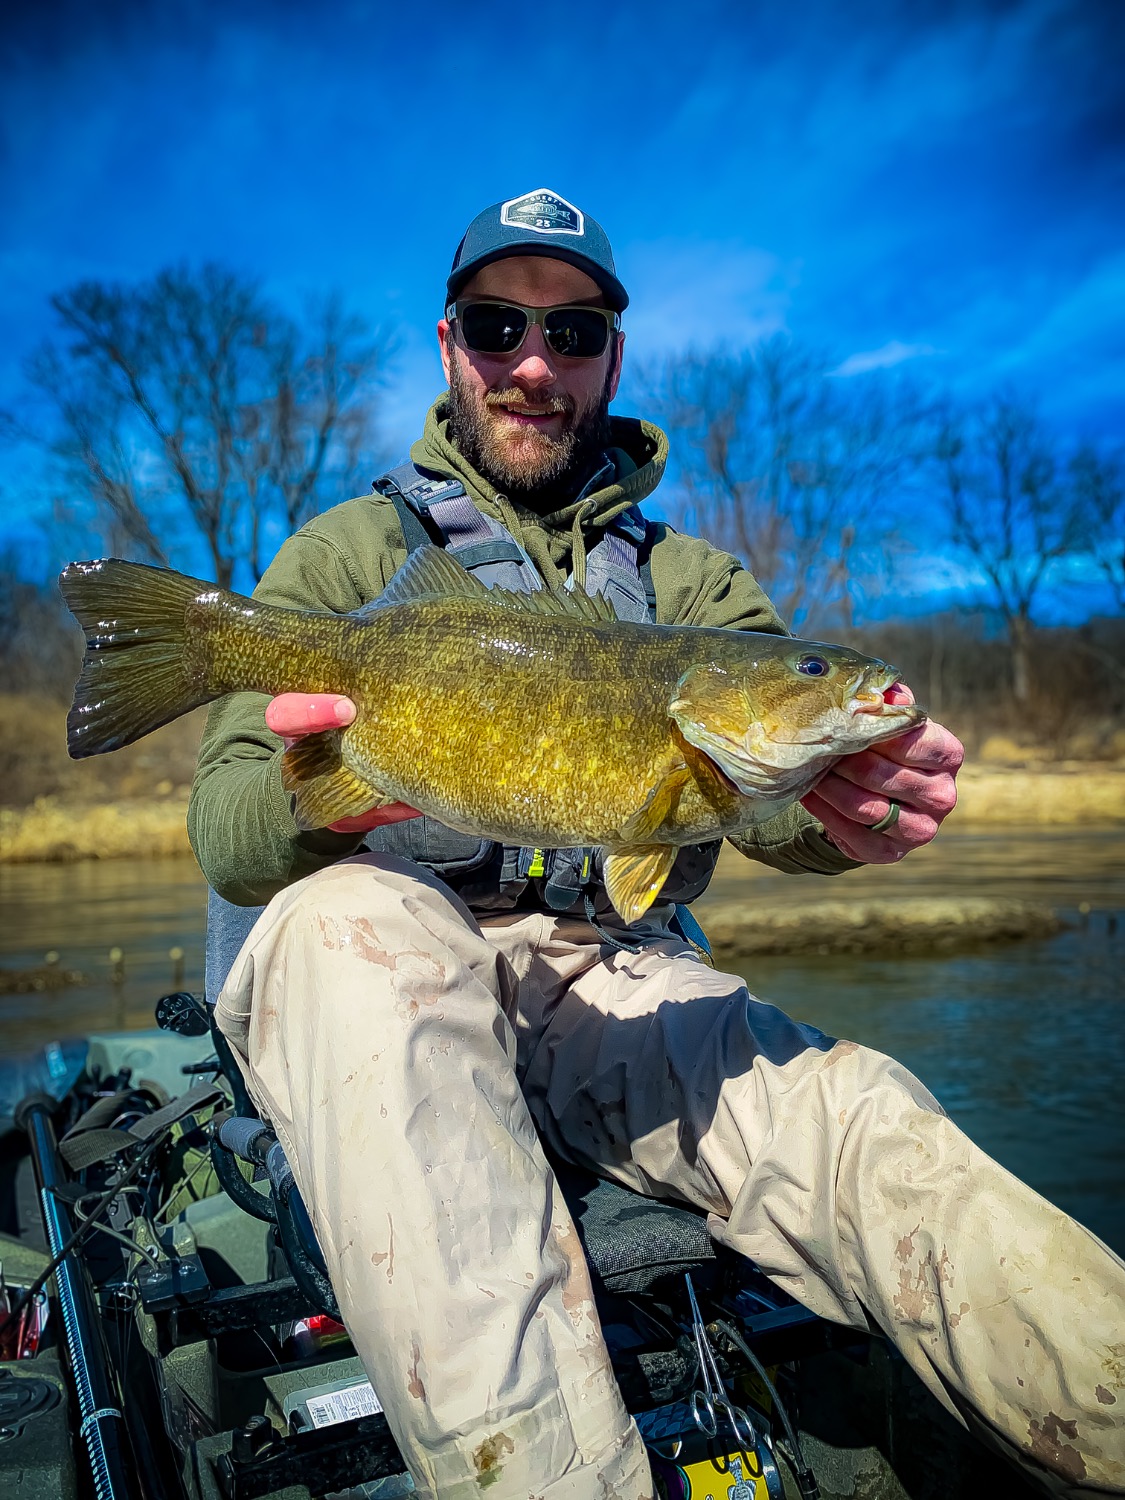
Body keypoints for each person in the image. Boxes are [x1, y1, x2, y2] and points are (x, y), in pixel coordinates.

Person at [189, 190, 1124, 1500]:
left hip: (609, 974)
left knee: (858, 1117)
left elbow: (766, 801)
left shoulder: (691, 590)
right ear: (448, 341)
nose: (532, 360)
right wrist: (330, 787)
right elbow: (228, 838)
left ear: (611, 357)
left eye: (571, 331)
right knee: (346, 928)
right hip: (381, 961)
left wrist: (836, 806)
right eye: (497, 322)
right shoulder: (346, 555)